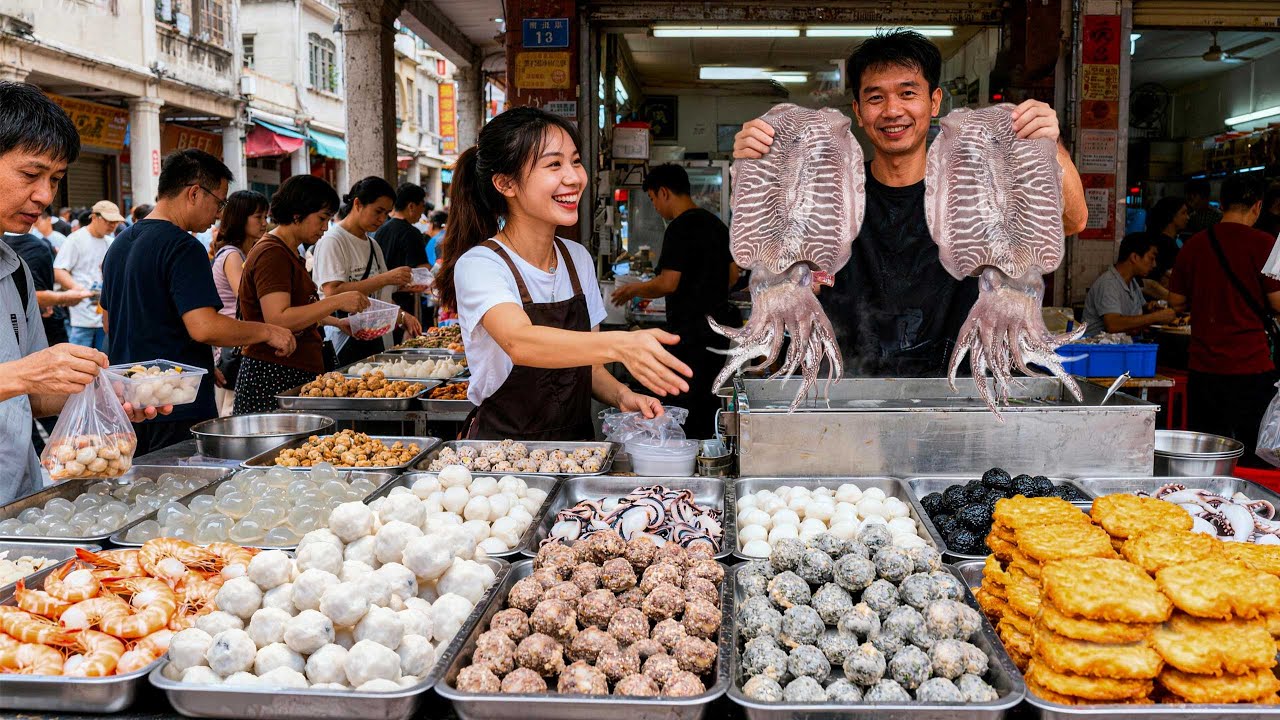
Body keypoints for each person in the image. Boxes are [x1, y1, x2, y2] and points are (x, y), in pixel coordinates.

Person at [733, 30, 1088, 377]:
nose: (892, 110)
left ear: (934, 101)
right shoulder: (824, 193)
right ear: (857, 110)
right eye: (875, 98)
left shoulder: (977, 189)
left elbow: (1073, 220)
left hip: (959, 397)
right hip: (844, 399)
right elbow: (767, 252)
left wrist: (1049, 146)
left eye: (907, 93)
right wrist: (753, 163)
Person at [438, 106, 691, 440]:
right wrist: (621, 344)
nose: (574, 177)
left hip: (576, 454)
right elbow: (520, 342)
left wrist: (622, 395)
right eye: (554, 164)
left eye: (575, 161)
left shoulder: (577, 259)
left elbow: (588, 365)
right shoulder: (482, 264)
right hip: (500, 458)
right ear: (505, 183)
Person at [0, 81, 168, 502]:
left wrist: (104, 391)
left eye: (55, 179)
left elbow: (29, 398)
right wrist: (21, 373)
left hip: (20, 504)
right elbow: (20, 379)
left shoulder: (15, 271)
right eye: (31, 174)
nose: (45, 195)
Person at [102, 148, 296, 454]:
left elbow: (110, 321)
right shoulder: (183, 246)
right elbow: (204, 327)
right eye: (219, 202)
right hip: (176, 405)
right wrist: (268, 331)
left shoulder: (121, 243)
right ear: (194, 193)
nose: (219, 213)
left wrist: (199, 361)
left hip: (131, 404)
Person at [610, 164, 739, 438]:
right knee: (709, 396)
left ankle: (686, 454)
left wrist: (634, 289)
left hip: (689, 333)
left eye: (653, 199)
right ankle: (709, 448)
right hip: (718, 332)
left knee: (684, 399)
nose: (655, 206)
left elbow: (668, 283)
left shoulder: (679, 228)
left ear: (664, 192)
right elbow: (733, 275)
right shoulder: (716, 224)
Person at [1168, 177, 1280, 468]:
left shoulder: (1193, 245)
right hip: (1251, 367)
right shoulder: (1267, 244)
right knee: (1255, 453)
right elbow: (1278, 303)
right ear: (1257, 206)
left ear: (1222, 204)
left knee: (1207, 453)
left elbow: (1176, 302)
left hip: (1204, 369)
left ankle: (1203, 505)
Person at [234, 176, 369, 414]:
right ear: (297, 214)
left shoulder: (287, 251)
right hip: (273, 375)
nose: (325, 227)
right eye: (322, 218)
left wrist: (336, 321)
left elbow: (300, 309)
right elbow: (278, 319)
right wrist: (336, 301)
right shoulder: (272, 254)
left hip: (290, 371)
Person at [312, 176, 424, 365]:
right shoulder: (333, 241)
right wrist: (386, 278)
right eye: (378, 211)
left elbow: (380, 295)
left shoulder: (372, 244)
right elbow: (333, 291)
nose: (382, 219)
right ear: (358, 204)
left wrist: (403, 297)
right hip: (345, 341)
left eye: (386, 213)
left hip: (377, 340)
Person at [210, 190, 269, 416]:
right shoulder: (232, 255)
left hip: (235, 344)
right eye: (258, 217)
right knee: (231, 411)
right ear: (240, 218)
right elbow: (246, 299)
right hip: (231, 347)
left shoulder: (242, 253)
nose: (264, 223)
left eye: (266, 217)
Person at [53, 199, 121, 352]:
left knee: (105, 363)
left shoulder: (112, 242)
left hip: (105, 315)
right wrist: (78, 289)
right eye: (109, 221)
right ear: (94, 217)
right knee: (79, 362)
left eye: (116, 222)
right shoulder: (76, 239)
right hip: (82, 315)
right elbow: (59, 270)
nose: (113, 225)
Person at [1082, 233, 1176, 337]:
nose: (1154, 265)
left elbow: (1137, 310)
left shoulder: (1132, 283)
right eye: (1151, 258)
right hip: (1100, 349)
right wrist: (1155, 317)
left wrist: (1149, 308)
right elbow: (1113, 324)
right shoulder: (1108, 284)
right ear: (1135, 257)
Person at [376, 182, 431, 339]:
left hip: (383, 304)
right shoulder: (412, 233)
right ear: (411, 206)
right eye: (422, 206)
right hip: (404, 307)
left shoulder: (380, 230)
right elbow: (422, 272)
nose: (422, 212)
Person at [1140, 196, 1189, 300]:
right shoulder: (1166, 244)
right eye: (1183, 213)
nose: (1187, 217)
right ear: (1172, 216)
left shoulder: (1167, 241)